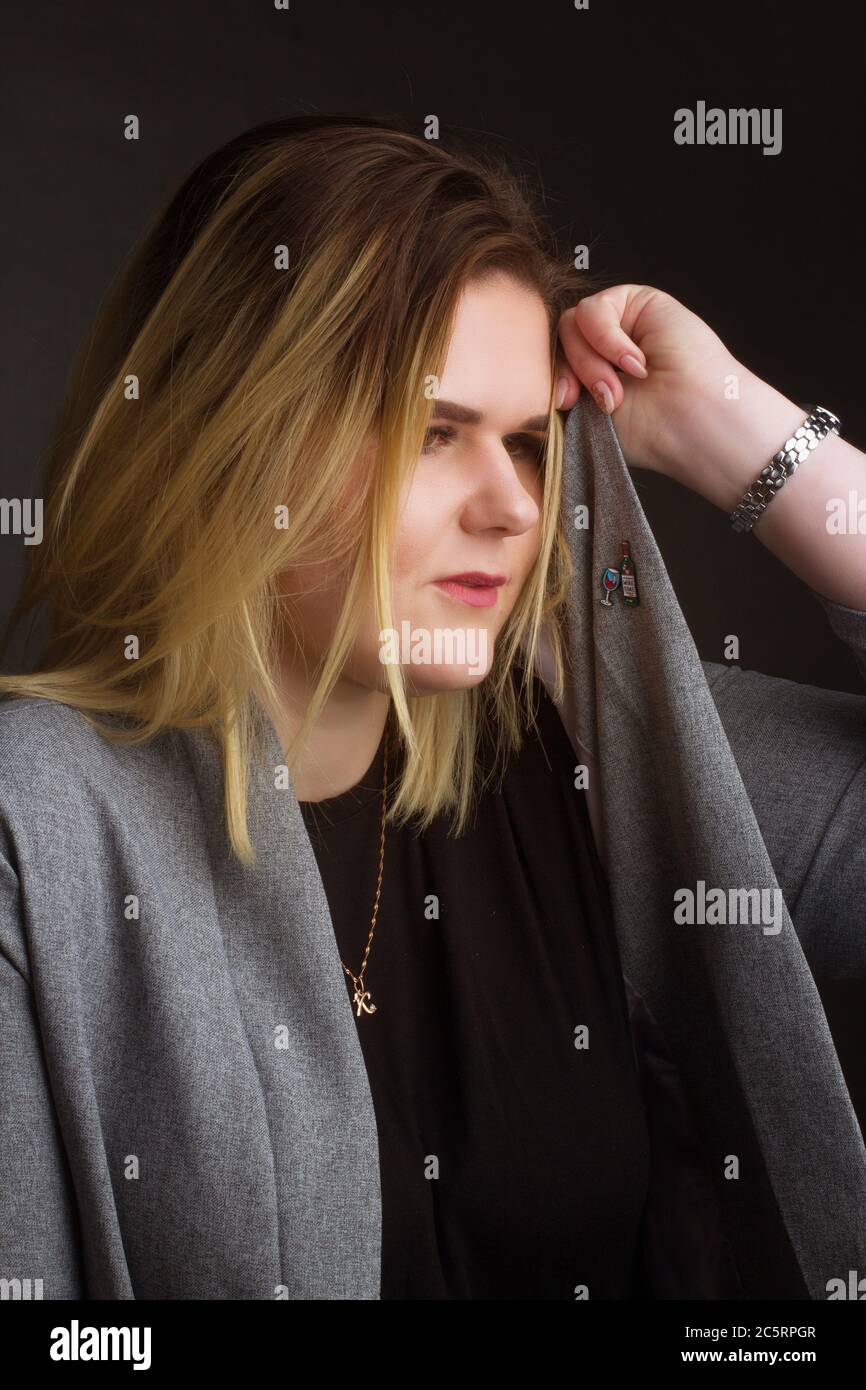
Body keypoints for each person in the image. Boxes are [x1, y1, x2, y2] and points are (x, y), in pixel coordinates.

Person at [0, 114, 864, 1301]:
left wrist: (740, 435)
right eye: (432, 430)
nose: (512, 506)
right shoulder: (36, 820)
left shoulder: (580, 751)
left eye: (526, 440)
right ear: (235, 436)